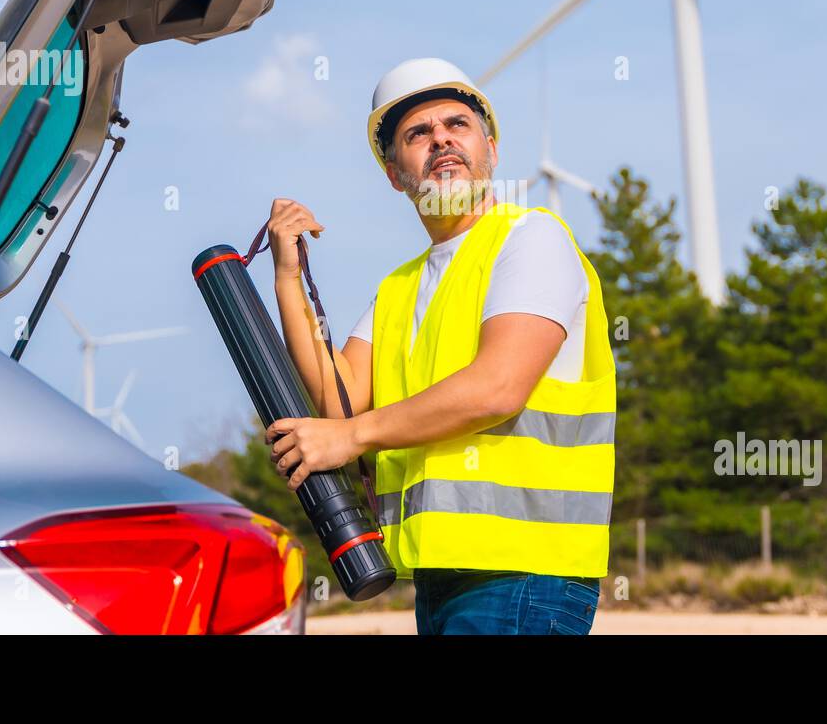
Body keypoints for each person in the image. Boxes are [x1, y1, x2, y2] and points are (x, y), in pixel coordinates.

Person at [264, 57, 616, 634]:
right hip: (440, 573)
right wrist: (287, 277)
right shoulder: (398, 288)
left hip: (523, 572)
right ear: (394, 174)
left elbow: (497, 388)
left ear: (491, 149)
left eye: (457, 124)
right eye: (418, 134)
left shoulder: (531, 238)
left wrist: (349, 438)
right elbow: (340, 401)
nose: (441, 140)